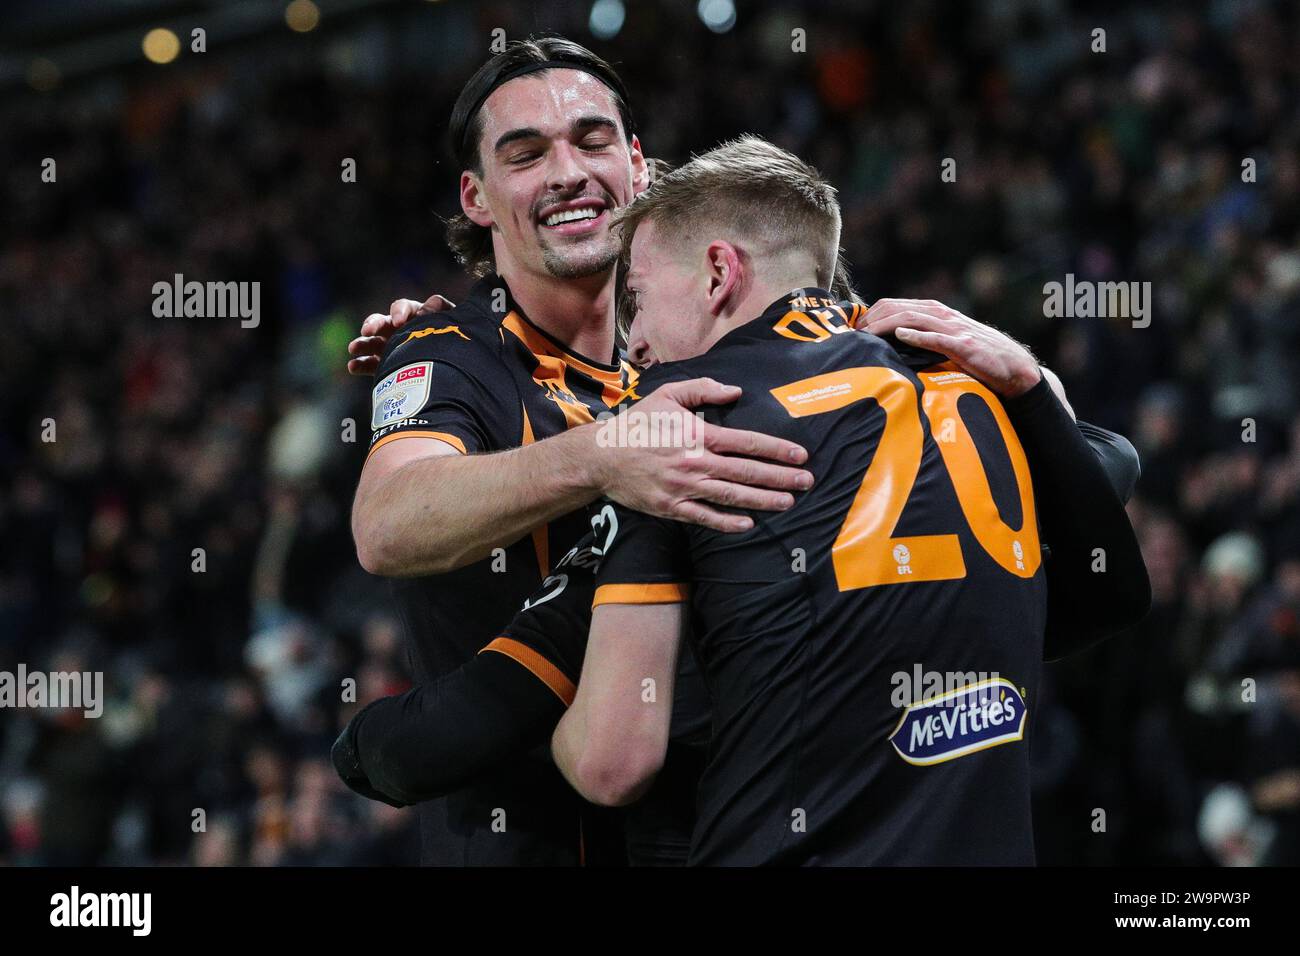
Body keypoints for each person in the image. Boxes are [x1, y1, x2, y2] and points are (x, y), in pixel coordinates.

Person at [337, 136, 1150, 865]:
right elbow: (1106, 572)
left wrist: (358, 749)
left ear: (720, 273)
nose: (636, 342)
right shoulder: (970, 389)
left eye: (639, 299)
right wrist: (1035, 387)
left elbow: (606, 759)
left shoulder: (683, 437)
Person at [350, 37, 814, 866]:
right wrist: (605, 456)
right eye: (526, 155)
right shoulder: (451, 352)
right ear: (478, 197)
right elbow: (387, 523)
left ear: (639, 164)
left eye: (592, 141)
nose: (568, 171)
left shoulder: (706, 341)